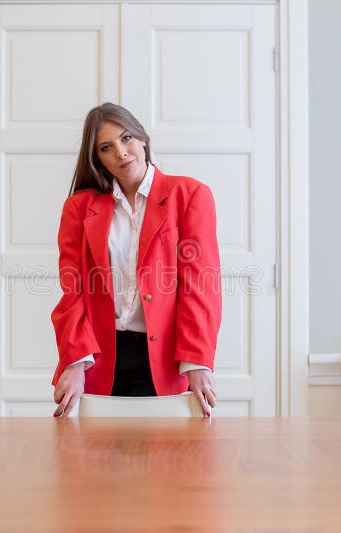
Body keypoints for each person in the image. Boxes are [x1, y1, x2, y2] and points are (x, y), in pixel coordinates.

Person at [51, 102, 221, 417]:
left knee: (170, 463)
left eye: (127, 138)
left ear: (143, 139)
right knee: (92, 463)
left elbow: (200, 286)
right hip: (98, 361)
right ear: (97, 158)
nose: (121, 152)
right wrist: (74, 361)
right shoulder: (79, 208)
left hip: (167, 362)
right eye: (106, 147)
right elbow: (72, 290)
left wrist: (197, 361)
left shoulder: (189, 195)